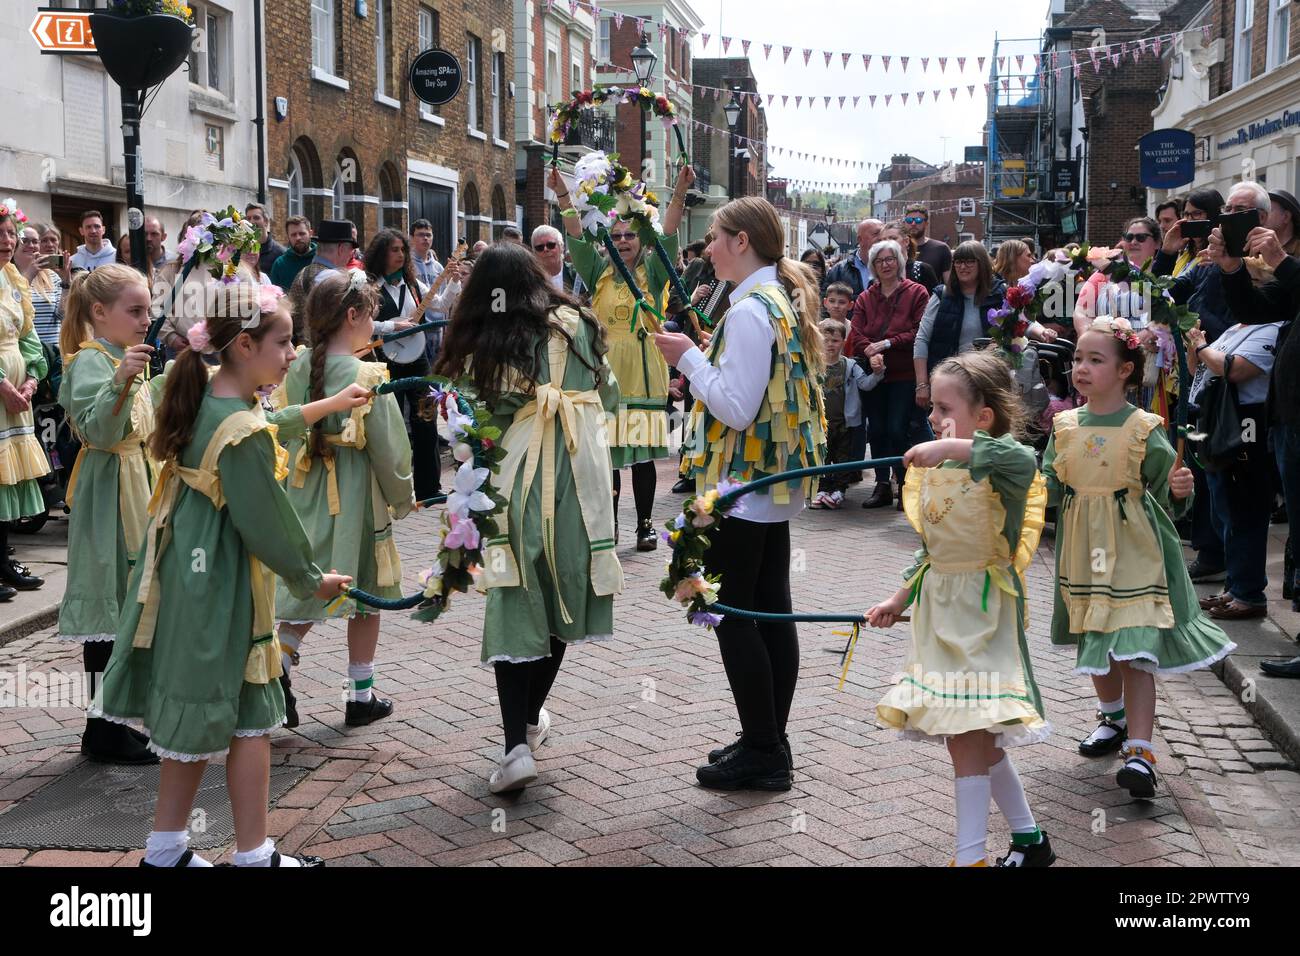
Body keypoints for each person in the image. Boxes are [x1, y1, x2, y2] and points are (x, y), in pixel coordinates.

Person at [91, 278, 353, 867]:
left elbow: (262, 428)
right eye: (284, 343)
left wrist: (328, 406)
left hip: (185, 578)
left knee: (195, 711)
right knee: (251, 721)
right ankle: (254, 853)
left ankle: (166, 849)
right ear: (242, 347)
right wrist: (313, 581)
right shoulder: (240, 430)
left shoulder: (208, 395)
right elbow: (269, 524)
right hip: (224, 589)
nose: (292, 355)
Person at [653, 196, 826, 792]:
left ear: (743, 242)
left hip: (744, 486)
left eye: (717, 237)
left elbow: (737, 405)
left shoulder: (753, 310)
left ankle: (765, 749)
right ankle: (766, 738)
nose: (707, 248)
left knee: (732, 613)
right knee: (769, 609)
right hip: (762, 482)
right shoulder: (770, 299)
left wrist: (691, 359)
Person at [434, 242, 620, 792]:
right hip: (579, 481)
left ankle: (516, 741)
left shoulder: (484, 338)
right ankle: (531, 719)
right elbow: (606, 395)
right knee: (562, 589)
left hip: (514, 480)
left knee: (515, 597)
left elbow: (466, 427)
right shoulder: (578, 323)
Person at [869, 350, 1053, 867]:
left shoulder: (1003, 466)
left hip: (983, 615)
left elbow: (1025, 459)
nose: (931, 417)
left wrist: (951, 444)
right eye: (931, 408)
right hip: (939, 616)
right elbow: (931, 552)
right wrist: (898, 597)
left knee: (969, 738)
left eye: (943, 408)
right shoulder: (935, 471)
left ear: (984, 418)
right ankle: (1031, 841)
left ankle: (969, 857)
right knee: (972, 740)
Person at [1044, 318, 1235, 798]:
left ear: (1126, 370)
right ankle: (1112, 720)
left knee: (1133, 648)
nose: (1081, 368)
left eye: (1095, 360)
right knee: (1098, 639)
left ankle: (1141, 752)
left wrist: (1179, 490)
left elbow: (1165, 494)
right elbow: (1047, 485)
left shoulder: (1144, 428)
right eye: (1078, 360)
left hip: (1134, 552)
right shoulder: (1064, 426)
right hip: (1082, 554)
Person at [273, 269, 415, 729]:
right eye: (373, 315)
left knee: (309, 582)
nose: (375, 323)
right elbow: (390, 447)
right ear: (353, 316)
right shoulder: (366, 374)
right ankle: (360, 694)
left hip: (303, 486)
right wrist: (402, 495)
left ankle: (280, 666)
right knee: (365, 591)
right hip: (354, 495)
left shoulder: (296, 363)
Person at [551, 162, 694, 550]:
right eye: (616, 234)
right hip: (606, 377)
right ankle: (611, 525)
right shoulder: (596, 269)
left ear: (640, 240)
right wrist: (563, 195)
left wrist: (678, 192)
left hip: (645, 374)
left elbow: (667, 231)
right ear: (607, 239)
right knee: (609, 459)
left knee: (643, 460)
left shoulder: (654, 271)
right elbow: (575, 232)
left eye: (630, 233)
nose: (624, 240)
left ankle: (645, 525)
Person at [56, 265, 157, 763]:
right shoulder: (91, 362)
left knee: (130, 603)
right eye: (134, 310)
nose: (145, 319)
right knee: (108, 606)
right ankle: (101, 728)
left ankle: (114, 719)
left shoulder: (128, 357)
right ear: (100, 312)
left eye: (148, 309)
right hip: (109, 495)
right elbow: (99, 431)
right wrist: (120, 380)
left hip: (137, 485)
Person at [1186, 314, 1282, 621]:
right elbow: (1201, 370)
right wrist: (1194, 346)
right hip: (1216, 423)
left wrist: (1201, 347)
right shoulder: (1235, 327)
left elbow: (1233, 369)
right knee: (1224, 511)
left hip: (1246, 425)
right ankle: (1235, 587)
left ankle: (1249, 593)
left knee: (1244, 511)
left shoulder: (1270, 328)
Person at [363, 228, 458, 500]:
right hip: (385, 362)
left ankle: (430, 489)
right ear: (380, 254)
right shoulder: (369, 286)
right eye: (394, 250)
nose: (400, 255)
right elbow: (363, 323)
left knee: (425, 421)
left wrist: (452, 282)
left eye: (402, 250)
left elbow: (439, 306)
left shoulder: (413, 284)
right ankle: (391, 491)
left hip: (418, 360)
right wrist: (392, 326)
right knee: (388, 424)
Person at [847, 239, 930, 510]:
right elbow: (856, 331)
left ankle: (904, 484)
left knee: (898, 429)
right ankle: (882, 484)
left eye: (890, 259)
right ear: (872, 265)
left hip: (904, 374)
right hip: (874, 375)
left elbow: (919, 330)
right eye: (880, 260)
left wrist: (887, 343)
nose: (885, 264)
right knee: (878, 430)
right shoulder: (865, 297)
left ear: (899, 262)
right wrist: (870, 353)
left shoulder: (916, 293)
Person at [0, 200, 50, 603]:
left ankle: (3, 559)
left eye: (9, 234)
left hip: (17, 399)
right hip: (2, 394)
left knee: (7, 482)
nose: (5, 241)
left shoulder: (14, 280)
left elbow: (29, 339)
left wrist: (32, 377)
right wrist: (3, 385)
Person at [913, 241, 1013, 386]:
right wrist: (921, 384)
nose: (962, 267)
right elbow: (922, 339)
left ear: (982, 263)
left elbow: (1020, 324)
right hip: (949, 379)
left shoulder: (1000, 293)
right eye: (958, 262)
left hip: (989, 379)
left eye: (969, 262)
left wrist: (1042, 332)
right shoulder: (941, 295)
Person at [812, 317, 882, 509]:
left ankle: (839, 491)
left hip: (844, 422)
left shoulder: (850, 366)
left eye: (834, 340)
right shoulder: (813, 365)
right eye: (825, 340)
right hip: (821, 423)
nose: (830, 344)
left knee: (843, 458)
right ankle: (822, 489)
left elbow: (865, 385)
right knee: (823, 458)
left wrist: (877, 373)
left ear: (843, 341)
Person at [15, 225, 63, 347]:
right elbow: (12, 310)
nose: (31, 245)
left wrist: (67, 282)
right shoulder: (6, 273)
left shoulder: (52, 276)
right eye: (25, 241)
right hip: (23, 350)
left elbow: (64, 315)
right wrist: (29, 276)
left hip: (52, 352)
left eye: (35, 241)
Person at [824, 218, 883, 300]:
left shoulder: (892, 267)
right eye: (876, 234)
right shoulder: (839, 271)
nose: (881, 238)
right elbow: (826, 302)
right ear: (860, 240)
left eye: (883, 233)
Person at [881, 222, 940, 292]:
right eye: (884, 240)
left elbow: (935, 299)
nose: (888, 243)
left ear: (906, 241)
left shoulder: (922, 270)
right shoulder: (880, 270)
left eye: (893, 238)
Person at [903, 204, 952, 284]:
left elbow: (948, 284)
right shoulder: (898, 249)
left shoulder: (941, 248)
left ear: (926, 224)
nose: (913, 223)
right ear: (904, 223)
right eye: (909, 220)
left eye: (918, 220)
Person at [530, 224, 583, 296]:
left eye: (551, 245)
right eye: (540, 247)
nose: (545, 249)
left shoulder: (577, 275)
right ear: (534, 252)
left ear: (561, 247)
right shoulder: (530, 279)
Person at [270, 215, 317, 291]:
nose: (298, 238)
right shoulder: (280, 264)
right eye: (293, 235)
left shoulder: (321, 258)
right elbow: (274, 295)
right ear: (288, 237)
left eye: (302, 233)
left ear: (310, 233)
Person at [242, 203, 284, 277]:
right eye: (248, 218)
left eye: (256, 218)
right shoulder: (240, 251)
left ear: (266, 221)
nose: (251, 222)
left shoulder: (280, 253)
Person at [409, 218, 443, 287]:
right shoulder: (407, 265)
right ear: (411, 238)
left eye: (428, 235)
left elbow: (443, 294)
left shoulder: (438, 268)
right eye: (421, 235)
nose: (425, 238)